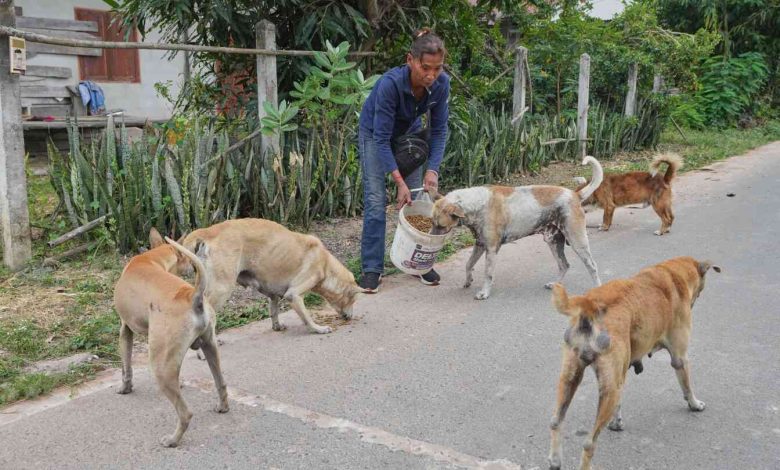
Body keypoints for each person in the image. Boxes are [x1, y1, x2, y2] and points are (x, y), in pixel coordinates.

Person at [357, 28, 450, 293]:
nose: (431, 75)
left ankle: (418, 263)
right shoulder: (390, 84)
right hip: (374, 134)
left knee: (417, 201)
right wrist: (398, 180)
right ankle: (372, 268)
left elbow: (440, 129)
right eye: (425, 68)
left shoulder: (441, 85)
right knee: (376, 201)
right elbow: (381, 137)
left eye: (438, 68)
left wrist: (432, 169)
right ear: (411, 60)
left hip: (408, 133)